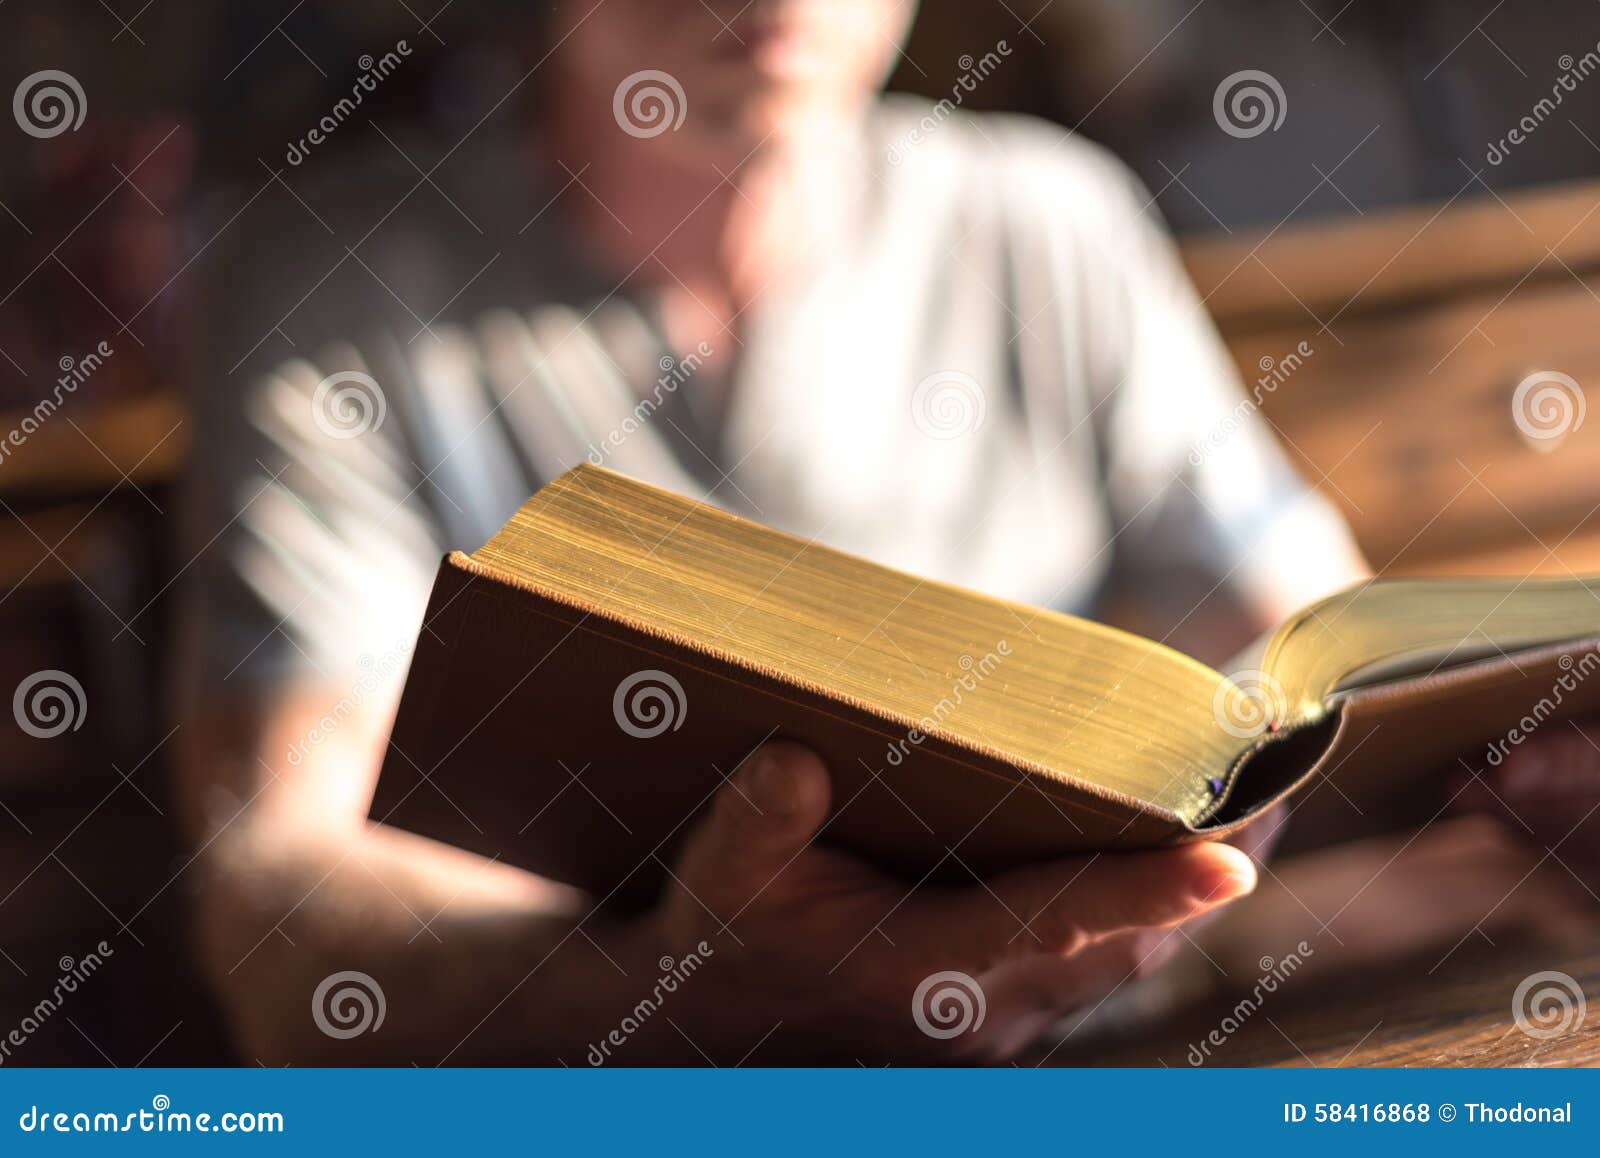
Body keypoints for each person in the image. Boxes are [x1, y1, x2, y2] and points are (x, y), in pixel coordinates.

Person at [172, 1, 1595, 1064]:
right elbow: (279, 901)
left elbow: (1308, 659)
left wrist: (1495, 789)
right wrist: (672, 996)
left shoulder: (1048, 222)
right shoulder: (341, 293)